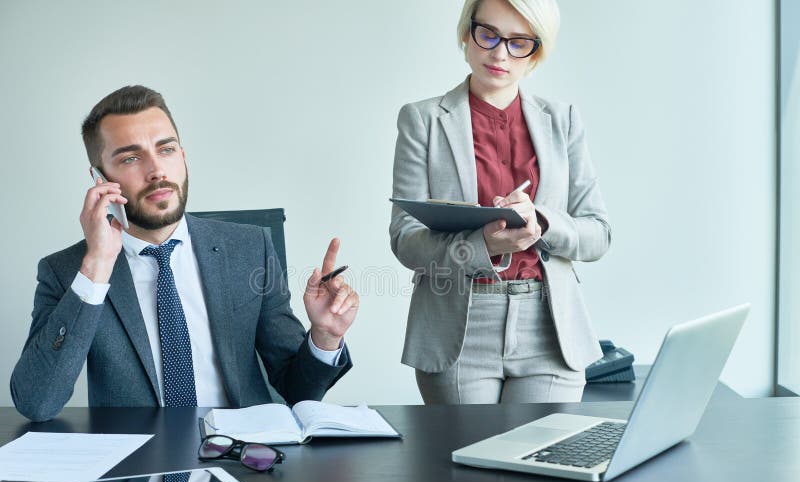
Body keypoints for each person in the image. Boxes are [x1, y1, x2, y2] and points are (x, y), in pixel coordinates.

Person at [12, 85, 359, 422]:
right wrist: (96, 269)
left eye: (166, 149)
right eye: (131, 157)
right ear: (100, 178)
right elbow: (37, 403)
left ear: (183, 158)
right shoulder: (69, 272)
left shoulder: (250, 249)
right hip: (135, 468)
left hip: (245, 460)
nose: (156, 171)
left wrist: (325, 337)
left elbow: (297, 392)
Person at [390, 0, 610, 404]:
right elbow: (406, 240)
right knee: (467, 465)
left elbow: (598, 234)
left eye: (518, 42)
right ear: (466, 32)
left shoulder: (563, 121)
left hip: (550, 326)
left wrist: (541, 222)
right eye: (487, 33)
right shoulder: (422, 120)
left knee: (542, 463)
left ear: (536, 52)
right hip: (459, 324)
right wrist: (483, 246)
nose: (499, 52)